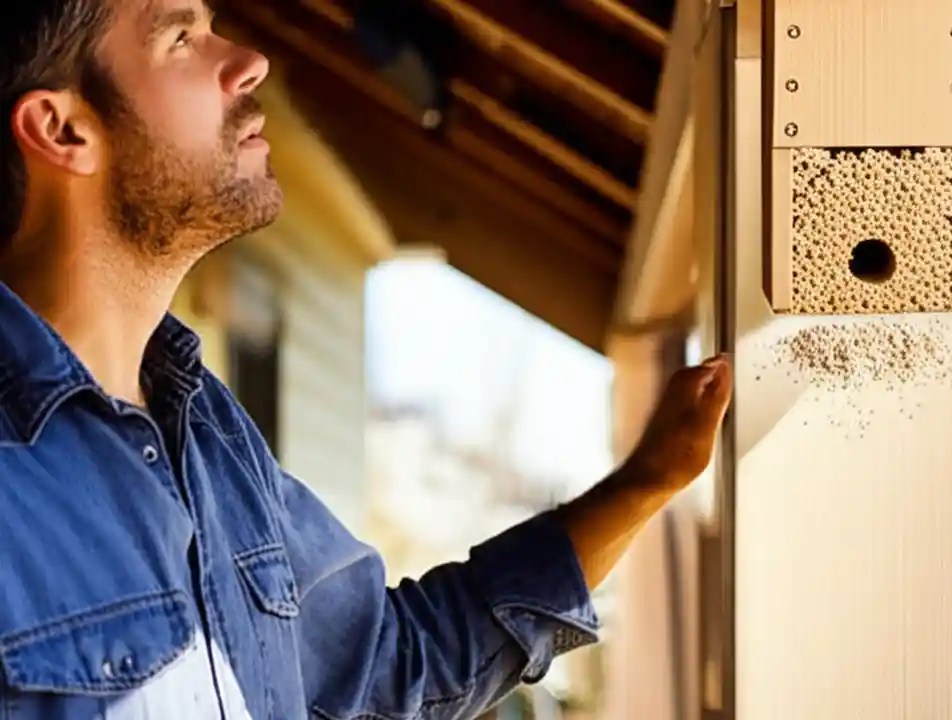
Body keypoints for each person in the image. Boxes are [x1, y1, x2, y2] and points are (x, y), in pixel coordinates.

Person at [0, 1, 734, 718]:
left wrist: (647, 482)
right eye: (182, 38)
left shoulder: (210, 436)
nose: (250, 61)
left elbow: (384, 669)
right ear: (62, 128)